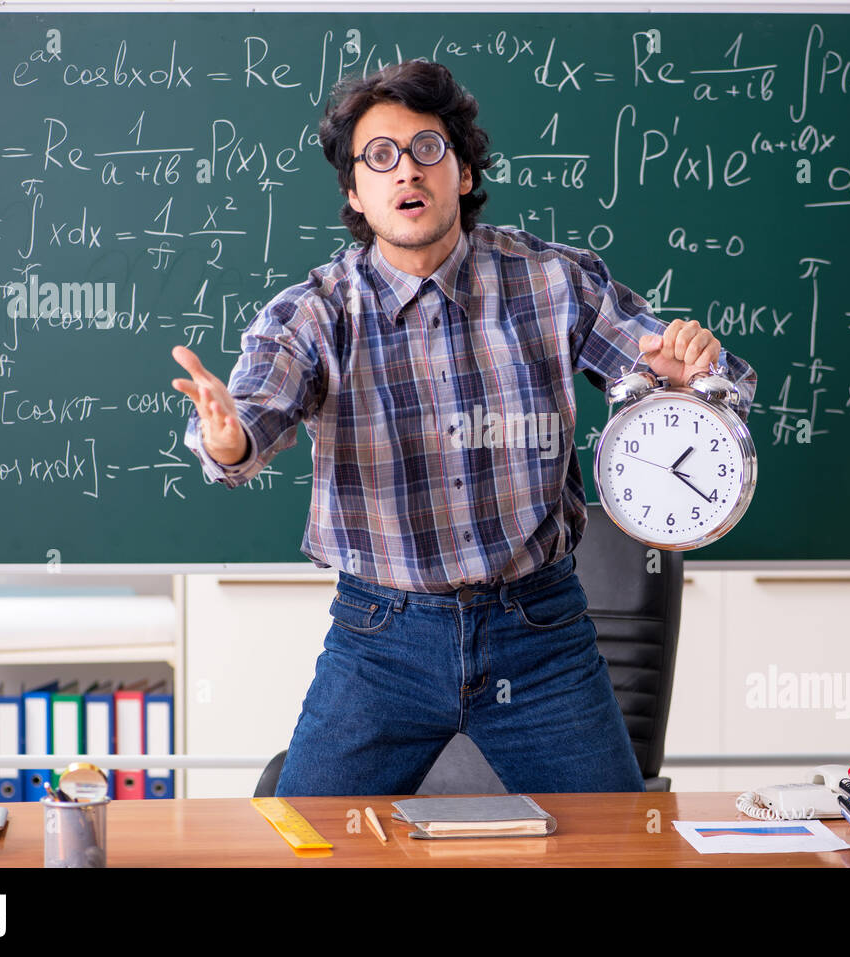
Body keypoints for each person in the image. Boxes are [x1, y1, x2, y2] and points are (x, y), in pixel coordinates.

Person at [171, 60, 756, 796]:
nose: (405, 172)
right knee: (303, 840)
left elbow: (679, 377)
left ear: (465, 172)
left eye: (427, 149)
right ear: (355, 191)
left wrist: (691, 376)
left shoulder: (551, 280)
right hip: (380, 641)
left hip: (539, 634)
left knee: (619, 847)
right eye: (379, 157)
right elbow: (254, 416)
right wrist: (229, 438)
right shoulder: (312, 313)